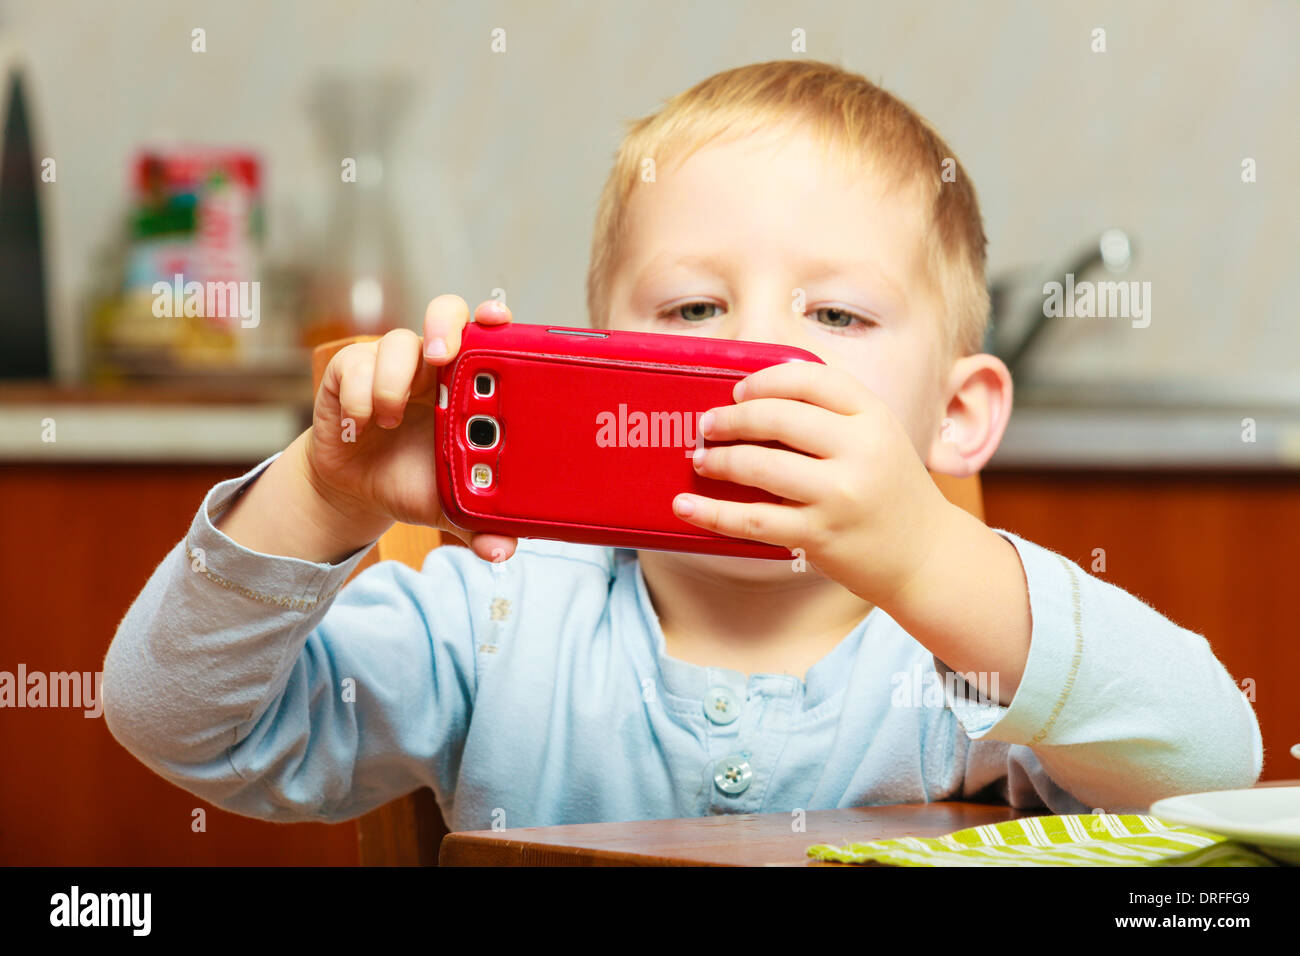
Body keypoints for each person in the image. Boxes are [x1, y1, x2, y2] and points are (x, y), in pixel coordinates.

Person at [103, 60, 1261, 832]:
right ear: (598, 365)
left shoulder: (963, 659)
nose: (751, 357)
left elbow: (1210, 763)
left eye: (838, 316)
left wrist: (923, 557)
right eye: (693, 312)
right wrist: (325, 494)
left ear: (955, 416)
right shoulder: (492, 619)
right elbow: (172, 718)